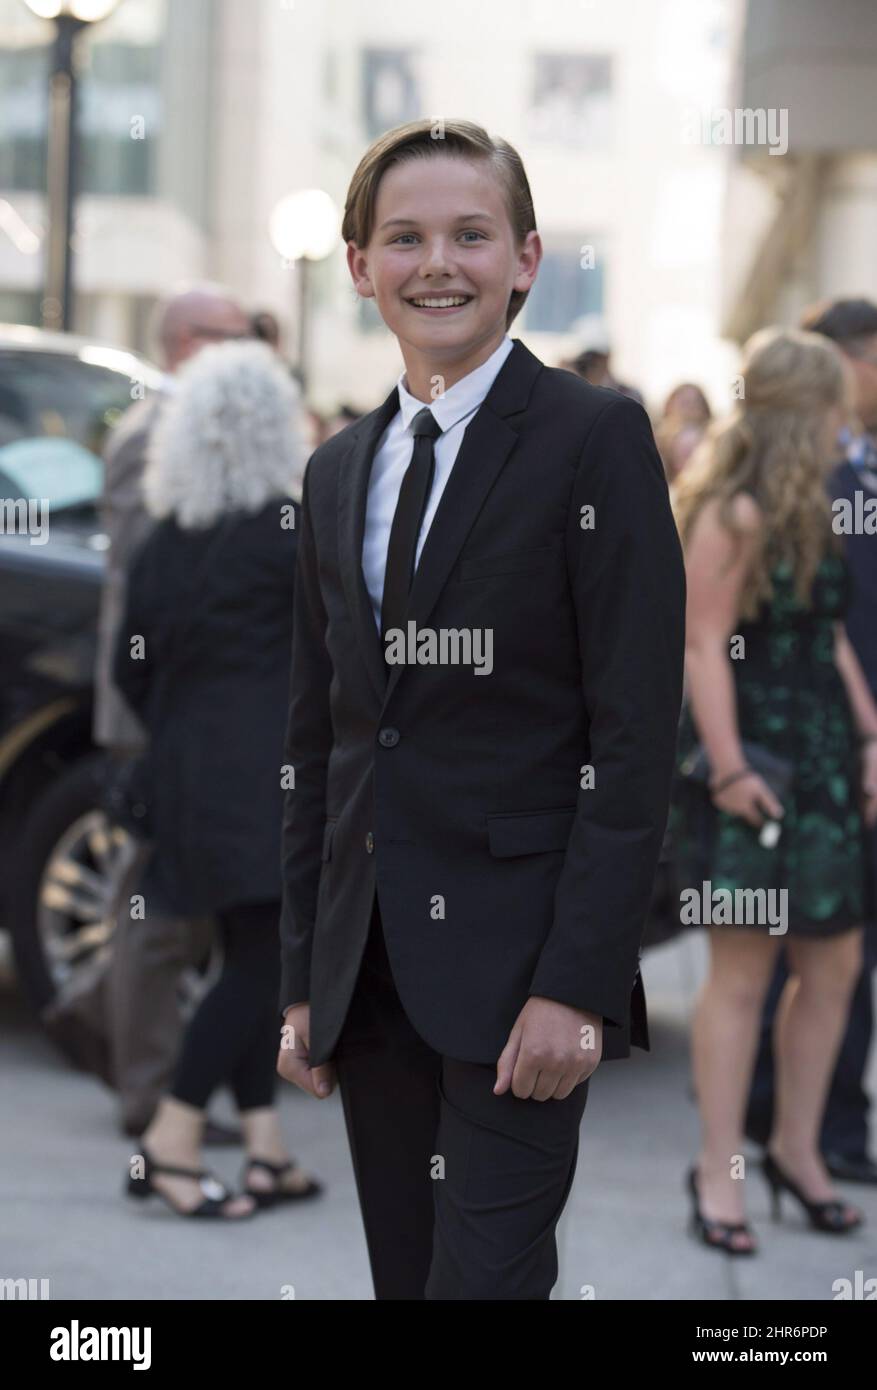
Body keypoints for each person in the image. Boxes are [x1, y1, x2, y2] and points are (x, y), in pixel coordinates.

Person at [276, 117, 685, 1298]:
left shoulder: (593, 441)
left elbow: (634, 732)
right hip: (375, 970)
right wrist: (306, 975)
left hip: (523, 979)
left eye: (470, 234)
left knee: (487, 1283)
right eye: (404, 237)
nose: (437, 263)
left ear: (526, 258)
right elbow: (323, 739)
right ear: (360, 266)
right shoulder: (336, 467)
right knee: (406, 1278)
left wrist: (580, 983)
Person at [670, 326, 877, 1255]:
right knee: (744, 973)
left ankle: (796, 1150)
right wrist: (728, 768)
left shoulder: (818, 504)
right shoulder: (734, 508)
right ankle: (720, 1172)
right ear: (807, 406)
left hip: (827, 755)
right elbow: (700, 642)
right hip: (756, 758)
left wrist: (870, 736)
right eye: (836, 398)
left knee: (832, 964)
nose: (851, 412)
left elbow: (830, 634)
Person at [114, 340, 321, 1219]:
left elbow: (131, 668)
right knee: (263, 966)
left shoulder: (166, 538)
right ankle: (171, 1138)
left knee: (247, 954)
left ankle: (266, 1149)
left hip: (186, 773)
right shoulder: (289, 529)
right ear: (280, 428)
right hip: (263, 777)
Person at [42, 284, 254, 1143]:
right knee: (154, 906)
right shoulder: (152, 435)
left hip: (191, 716)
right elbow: (137, 589)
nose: (252, 356)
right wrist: (162, 718)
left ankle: (95, 1016)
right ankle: (149, 1091)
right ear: (188, 342)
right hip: (162, 718)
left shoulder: (201, 431)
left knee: (180, 902)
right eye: (238, 339)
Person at [746, 298, 877, 1185]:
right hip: (794, 750)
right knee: (795, 947)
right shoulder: (786, 492)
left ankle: (817, 1128)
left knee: (838, 947)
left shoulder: (851, 475)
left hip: (848, 737)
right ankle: (805, 1127)